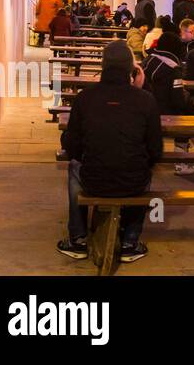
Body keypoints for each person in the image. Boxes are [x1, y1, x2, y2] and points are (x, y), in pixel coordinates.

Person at [57, 40, 161, 263]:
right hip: (132, 182)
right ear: (131, 70)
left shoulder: (85, 97)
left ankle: (78, 239)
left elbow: (72, 145)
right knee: (145, 168)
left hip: (93, 179)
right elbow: (155, 149)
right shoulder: (146, 100)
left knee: (74, 166)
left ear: (103, 66)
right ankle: (130, 242)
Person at [142, 29, 194, 175]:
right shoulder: (173, 68)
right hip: (163, 111)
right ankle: (181, 161)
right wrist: (188, 106)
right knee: (186, 116)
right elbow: (177, 98)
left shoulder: (147, 61)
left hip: (144, 110)